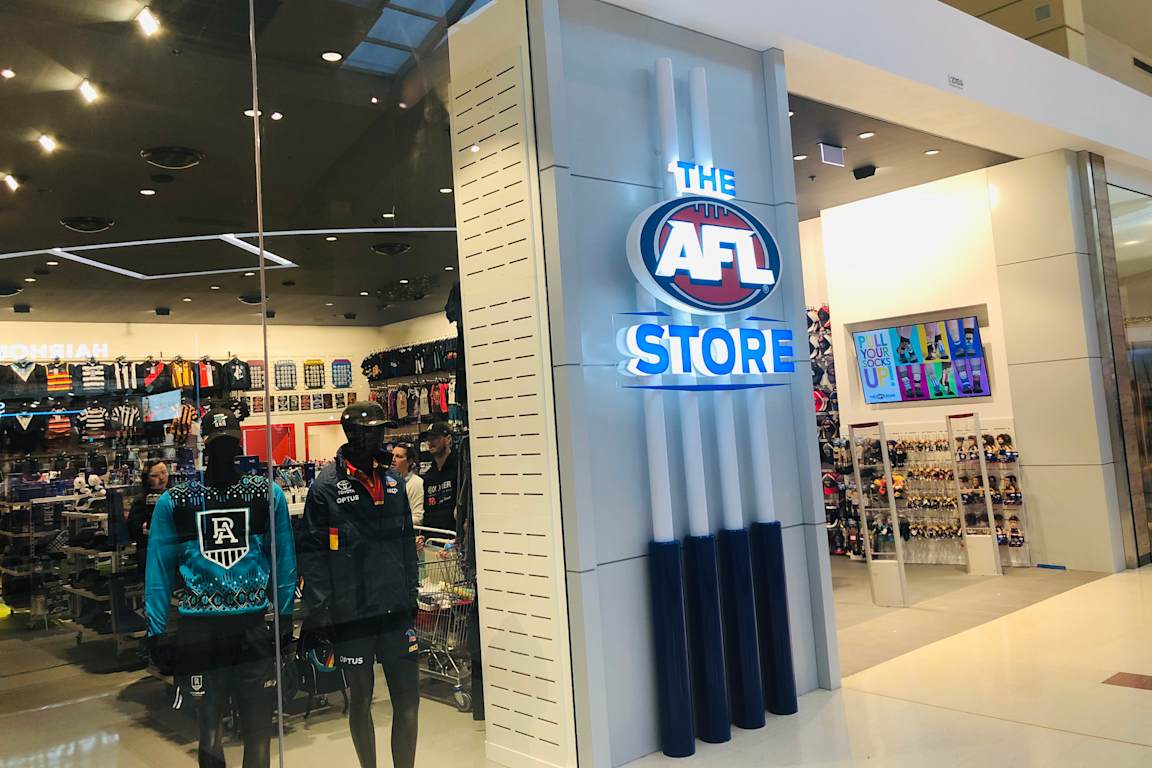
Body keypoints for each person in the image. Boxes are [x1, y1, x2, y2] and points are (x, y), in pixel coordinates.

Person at [145, 408, 296, 768]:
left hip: (253, 628)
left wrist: (285, 613)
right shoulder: (176, 502)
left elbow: (284, 559)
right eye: (218, 446)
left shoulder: (266, 494)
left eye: (231, 444)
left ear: (240, 444)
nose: (225, 453)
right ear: (206, 450)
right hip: (200, 631)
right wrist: (156, 631)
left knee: (259, 730)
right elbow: (158, 570)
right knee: (209, 729)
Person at [299, 402, 419, 768]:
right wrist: (321, 612)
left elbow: (406, 540)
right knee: (361, 699)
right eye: (369, 430)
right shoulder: (325, 487)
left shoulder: (395, 482)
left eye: (381, 429)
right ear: (352, 433)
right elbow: (314, 554)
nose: (377, 436)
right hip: (352, 613)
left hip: (396, 608)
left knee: (409, 702)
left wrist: (411, 592)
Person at [125, 460, 168, 570]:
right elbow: (133, 528)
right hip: (149, 550)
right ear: (147, 478)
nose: (162, 478)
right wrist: (144, 527)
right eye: (155, 475)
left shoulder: (173, 495)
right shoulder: (141, 500)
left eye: (164, 472)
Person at [421, 422, 458, 533]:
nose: (430, 442)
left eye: (435, 437)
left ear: (448, 439)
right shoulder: (429, 475)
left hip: (454, 537)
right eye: (429, 438)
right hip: (433, 540)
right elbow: (427, 511)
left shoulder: (460, 468)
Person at [391, 443, 424, 527]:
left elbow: (418, 518)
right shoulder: (385, 482)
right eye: (392, 455)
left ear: (409, 461)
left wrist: (394, 522)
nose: (393, 459)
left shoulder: (417, 483)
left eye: (398, 456)